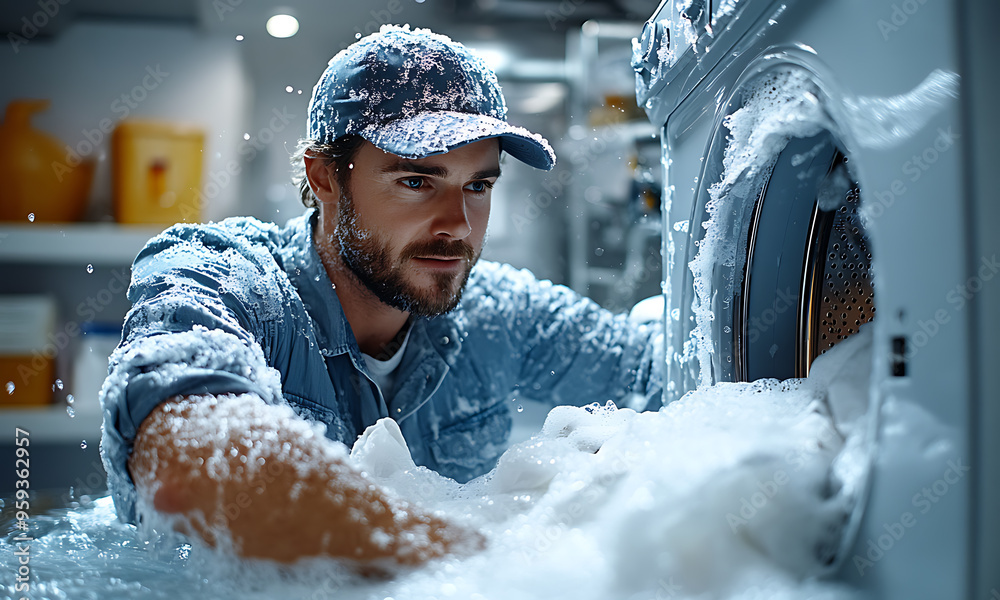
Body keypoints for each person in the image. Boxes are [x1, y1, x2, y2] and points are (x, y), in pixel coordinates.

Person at [99, 25, 663, 568]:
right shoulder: (225, 278)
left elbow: (659, 370)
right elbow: (189, 462)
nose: (459, 226)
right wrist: (473, 563)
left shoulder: (499, 313)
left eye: (477, 186)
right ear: (323, 177)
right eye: (417, 182)